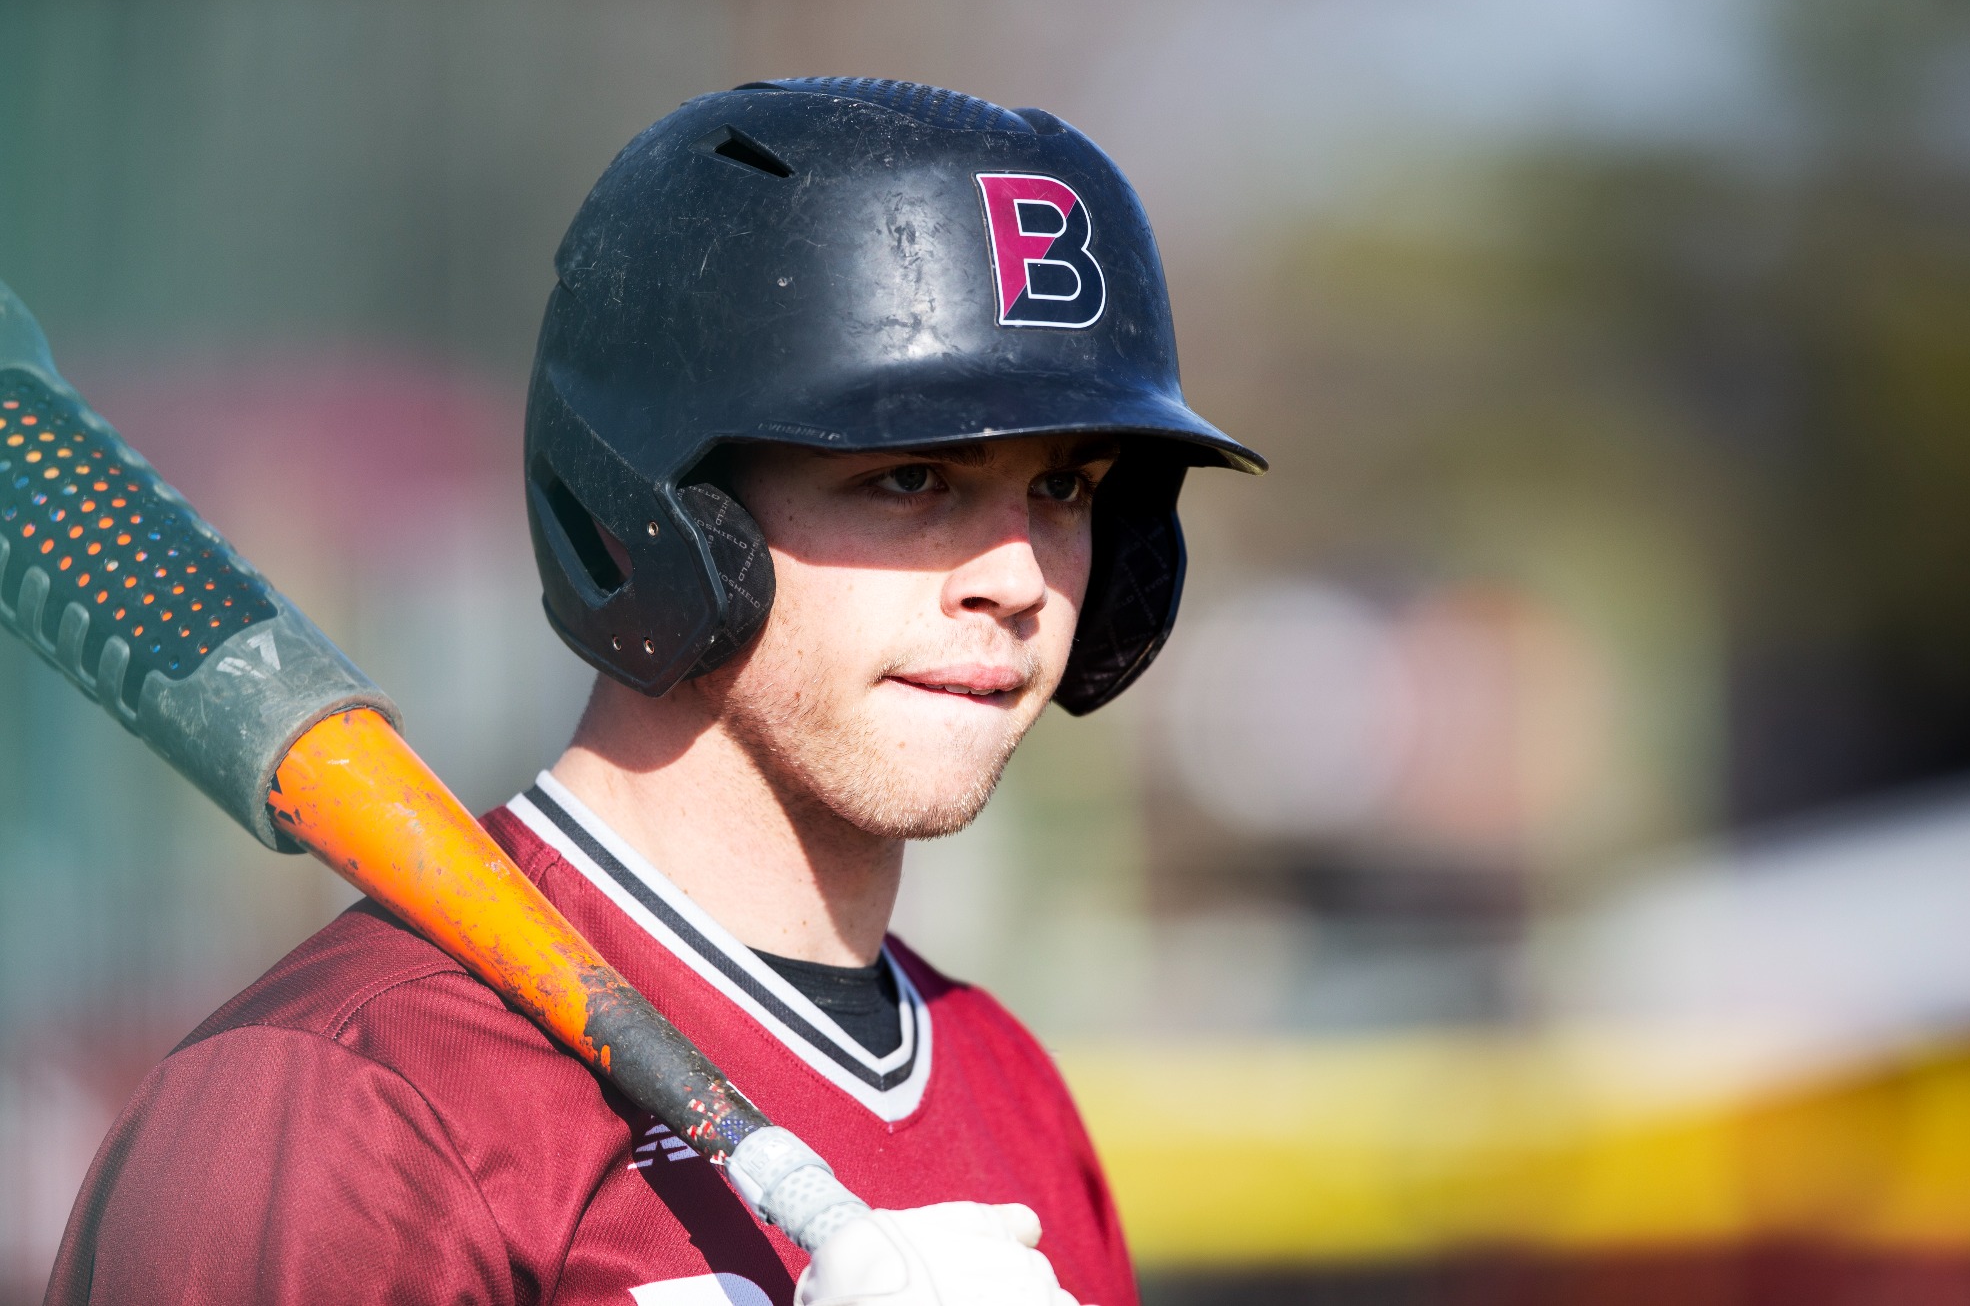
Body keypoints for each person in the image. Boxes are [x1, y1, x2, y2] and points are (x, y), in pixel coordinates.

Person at [46, 77, 1263, 1306]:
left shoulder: (1012, 1092)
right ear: (674, 513)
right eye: (911, 478)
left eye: (1063, 488)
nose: (1014, 578)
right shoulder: (339, 1098)